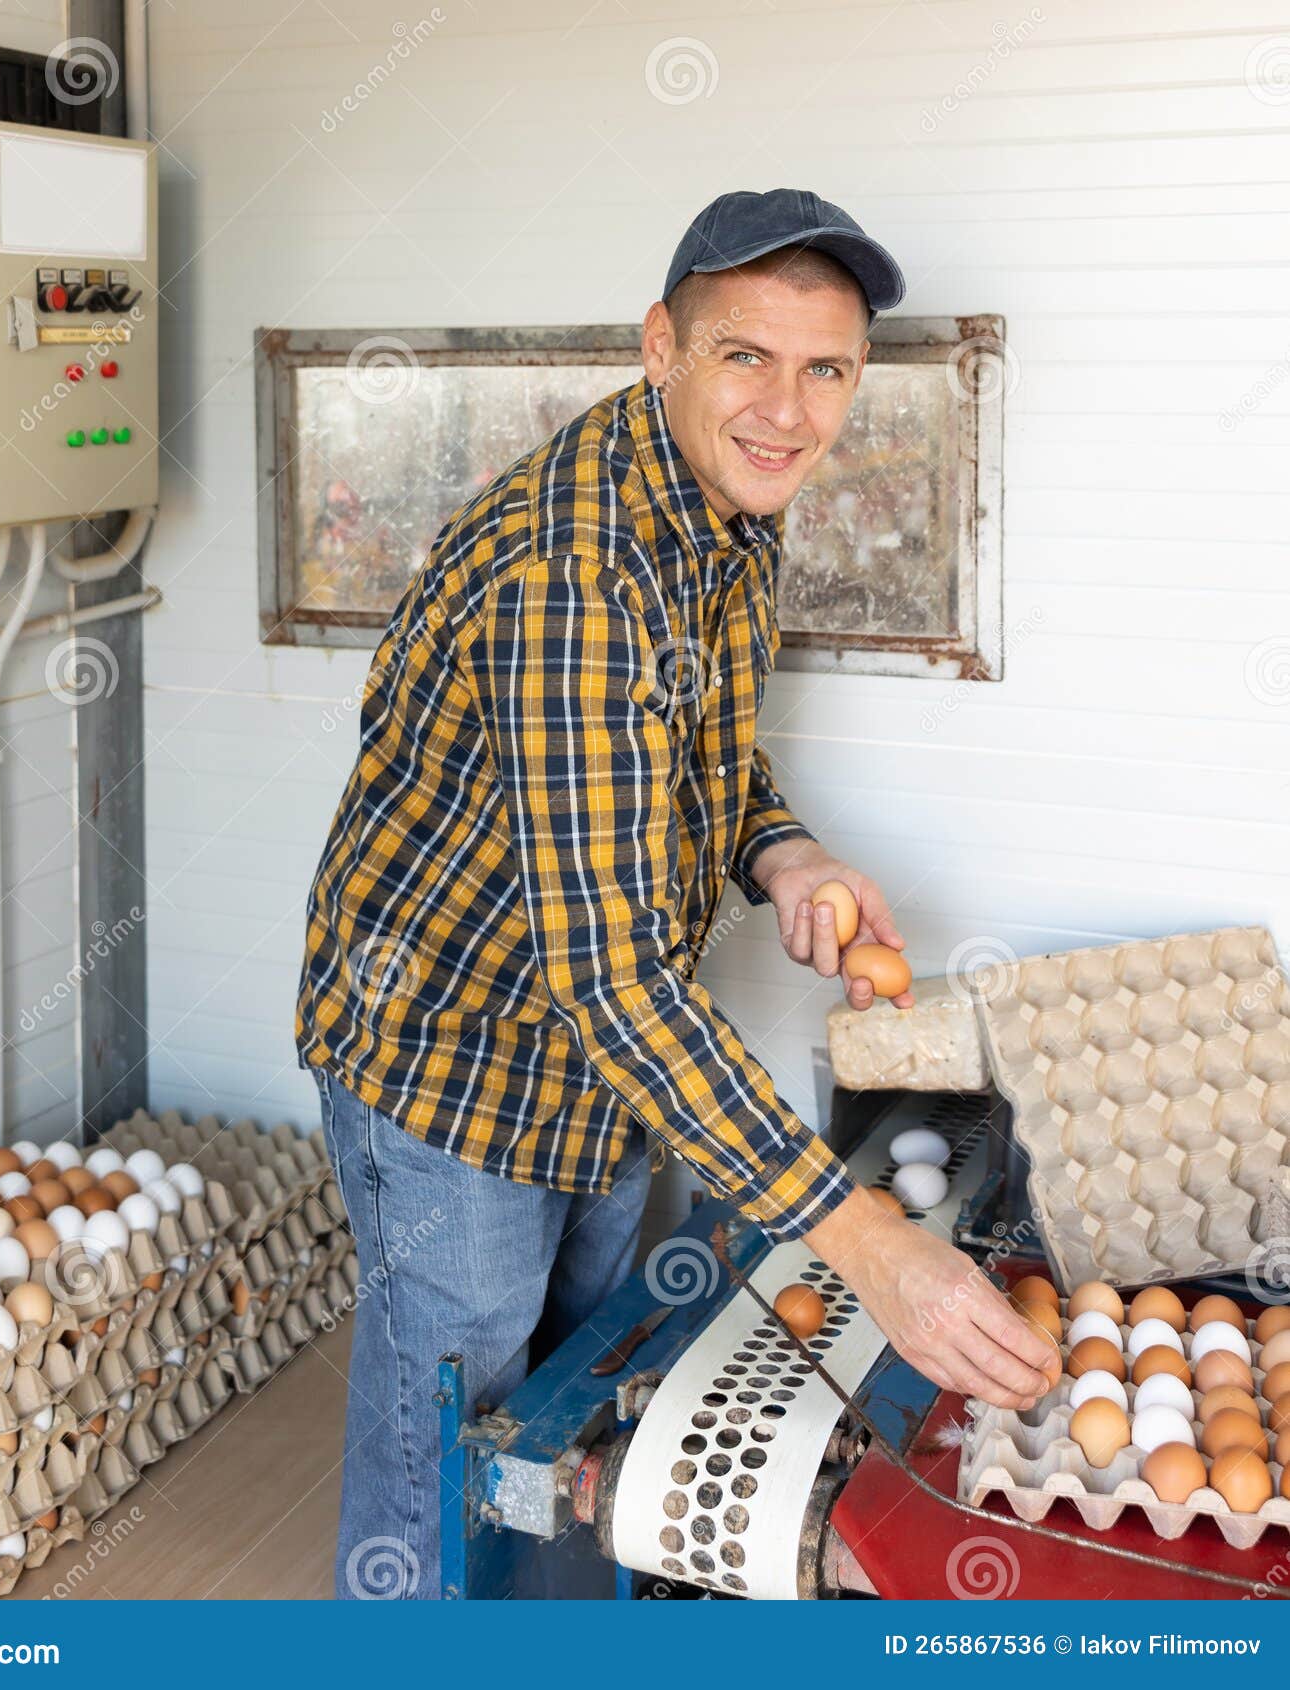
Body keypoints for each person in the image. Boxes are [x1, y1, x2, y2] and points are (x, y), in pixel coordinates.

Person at [296, 189, 1053, 1600]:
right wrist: (867, 1243)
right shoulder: (574, 573)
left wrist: (781, 853)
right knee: (445, 1432)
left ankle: (527, 1614)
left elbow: (694, 745)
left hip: (597, 1060)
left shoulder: (720, 513)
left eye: (824, 368)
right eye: (743, 357)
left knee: (570, 1390)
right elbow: (614, 983)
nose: (788, 408)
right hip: (450, 1058)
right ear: (661, 347)